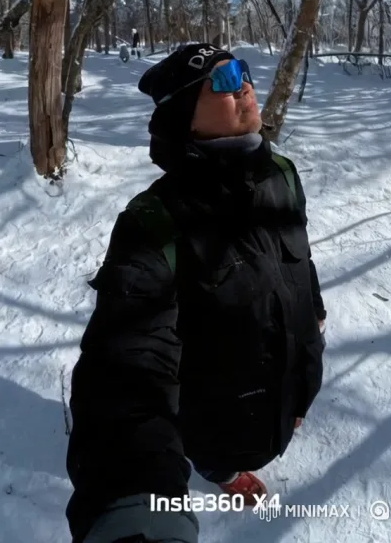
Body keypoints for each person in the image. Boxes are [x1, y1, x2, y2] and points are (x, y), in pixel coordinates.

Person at [66, 44, 326, 543]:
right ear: (185, 114)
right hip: (216, 418)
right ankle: (223, 475)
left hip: (291, 377)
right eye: (223, 80)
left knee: (279, 419)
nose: (243, 85)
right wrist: (137, 515)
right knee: (219, 453)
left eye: (242, 71)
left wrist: (312, 317)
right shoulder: (154, 221)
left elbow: (300, 258)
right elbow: (124, 366)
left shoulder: (281, 173)